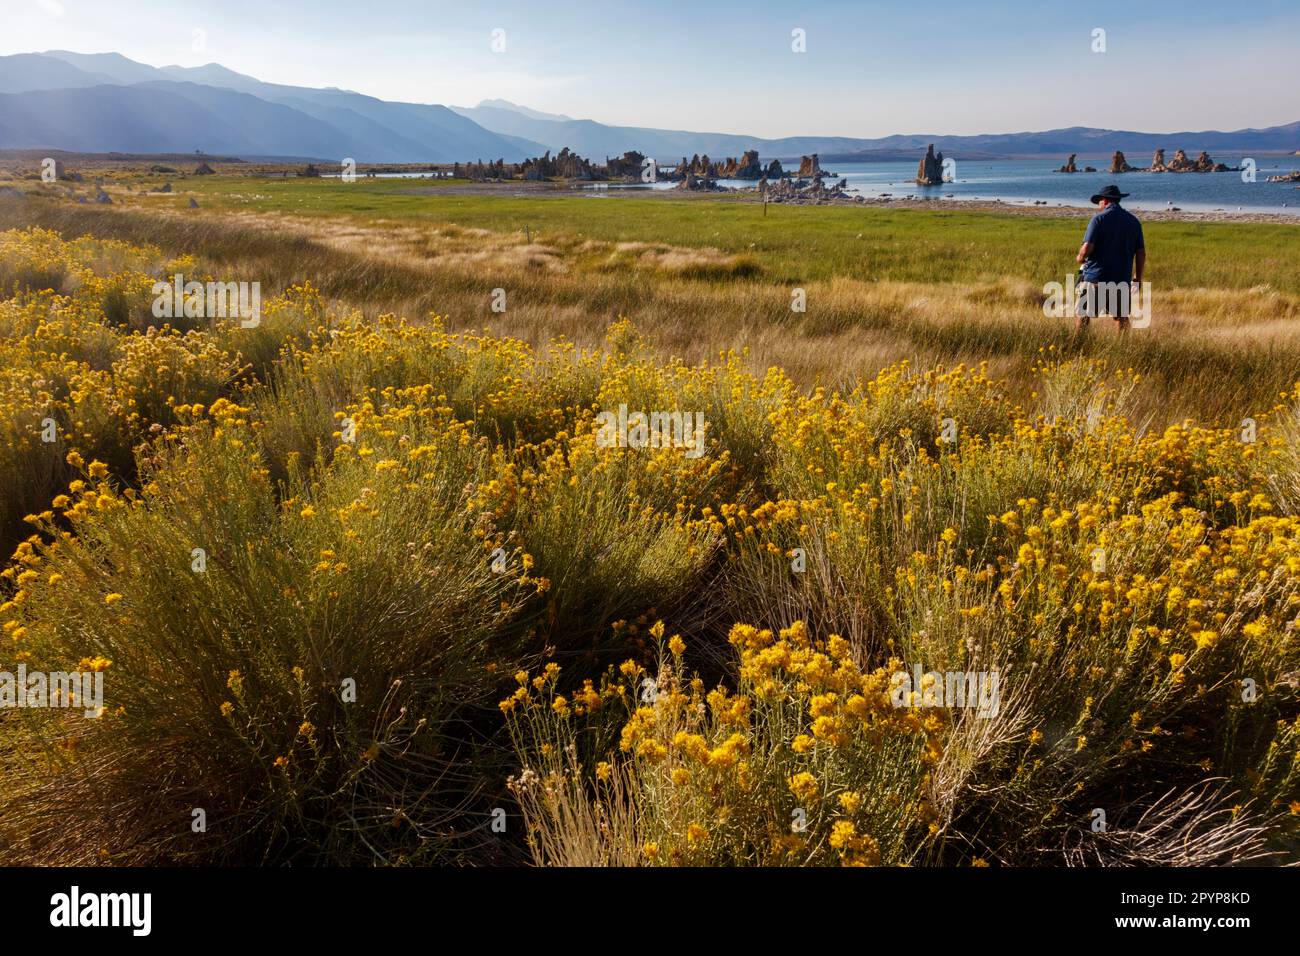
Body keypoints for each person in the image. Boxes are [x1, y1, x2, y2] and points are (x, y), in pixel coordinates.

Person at [1075, 184, 1145, 333]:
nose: (1099, 205)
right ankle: (1122, 349)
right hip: (1121, 279)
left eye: (1099, 201)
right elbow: (1140, 253)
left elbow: (1087, 248)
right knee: (1121, 317)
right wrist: (1137, 279)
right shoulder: (1133, 221)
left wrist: (1080, 257)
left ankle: (1078, 346)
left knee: (1083, 314)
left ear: (1105, 201)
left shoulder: (1098, 219)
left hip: (1096, 277)